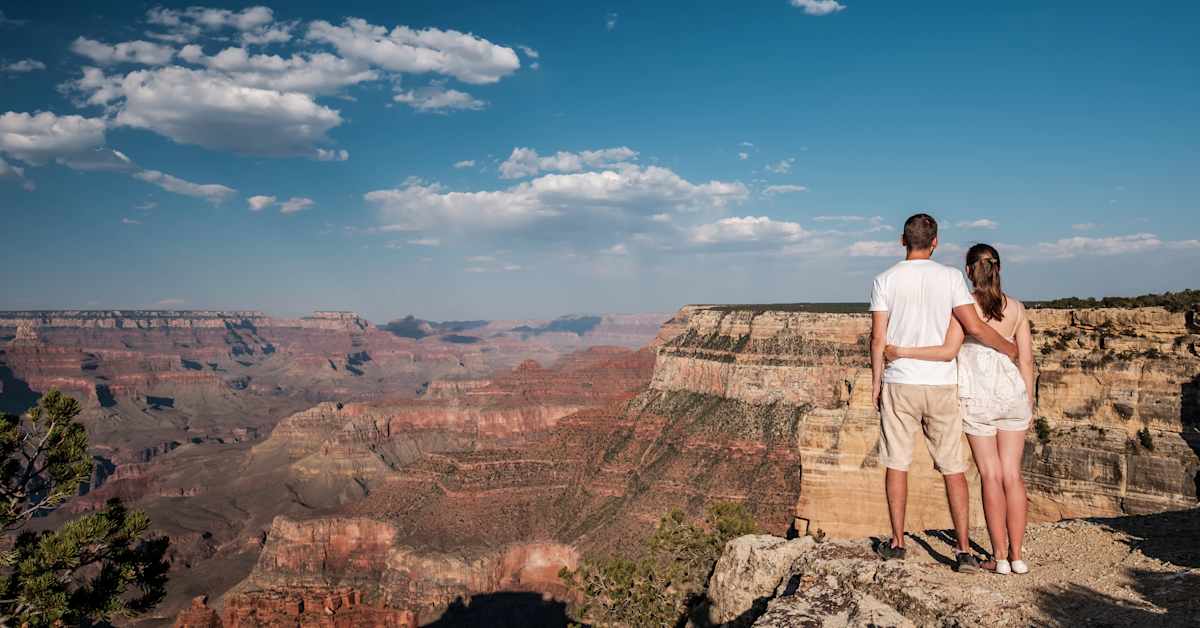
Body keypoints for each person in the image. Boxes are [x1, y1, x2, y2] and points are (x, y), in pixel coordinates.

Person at [869, 214, 1019, 573]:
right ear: (935, 242)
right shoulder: (951, 277)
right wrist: (1009, 349)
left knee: (897, 462)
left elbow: (878, 337)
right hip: (941, 383)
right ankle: (964, 550)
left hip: (900, 381)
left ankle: (897, 542)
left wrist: (876, 380)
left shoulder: (884, 280)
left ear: (902, 241)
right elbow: (975, 326)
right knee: (953, 468)